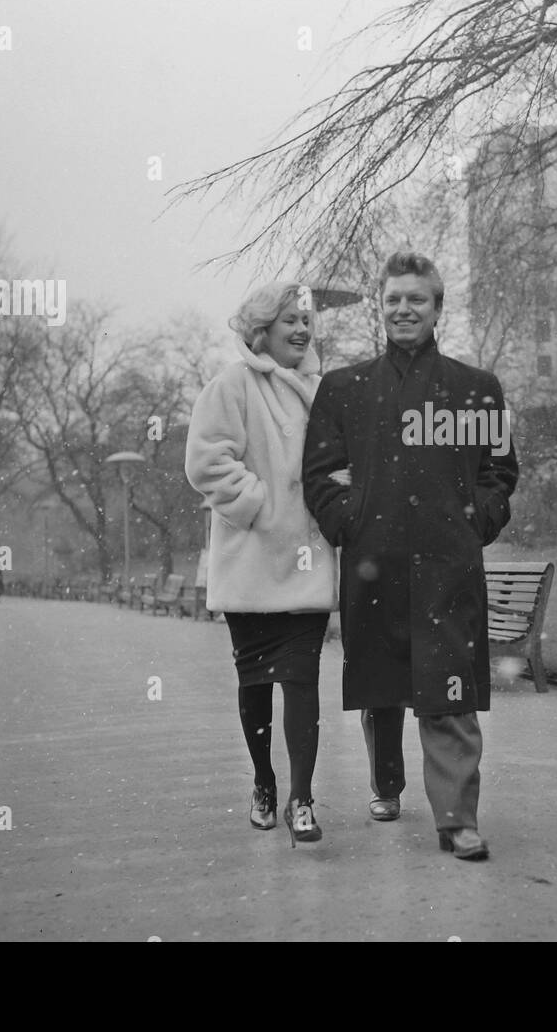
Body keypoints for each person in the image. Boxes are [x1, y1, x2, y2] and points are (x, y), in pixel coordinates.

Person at [303, 251, 518, 861]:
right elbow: (317, 475)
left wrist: (477, 520)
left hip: (448, 564)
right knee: (383, 683)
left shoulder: (477, 389)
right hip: (374, 560)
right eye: (394, 298)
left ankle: (457, 820)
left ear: (437, 308)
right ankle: (387, 782)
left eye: (417, 299)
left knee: (448, 689)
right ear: (381, 305)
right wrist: (350, 521)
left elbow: (500, 472)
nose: (404, 309)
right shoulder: (344, 389)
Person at [185, 280, 337, 848]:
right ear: (262, 330)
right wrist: (257, 505)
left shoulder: (322, 389)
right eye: (289, 321)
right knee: (255, 682)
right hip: (250, 561)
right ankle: (264, 782)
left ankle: (302, 799)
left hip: (306, 563)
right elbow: (205, 462)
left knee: (301, 680)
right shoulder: (231, 385)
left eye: (305, 320)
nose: (301, 329)